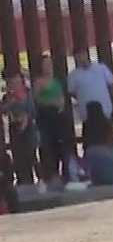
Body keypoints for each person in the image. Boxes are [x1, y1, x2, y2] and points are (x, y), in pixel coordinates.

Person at [32, 55, 70, 184]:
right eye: (45, 64)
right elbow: (37, 100)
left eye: (50, 63)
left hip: (58, 117)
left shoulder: (57, 81)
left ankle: (64, 173)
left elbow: (62, 99)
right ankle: (52, 174)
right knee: (48, 145)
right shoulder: (39, 82)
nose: (48, 66)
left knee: (61, 144)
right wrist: (50, 102)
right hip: (46, 117)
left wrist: (58, 103)